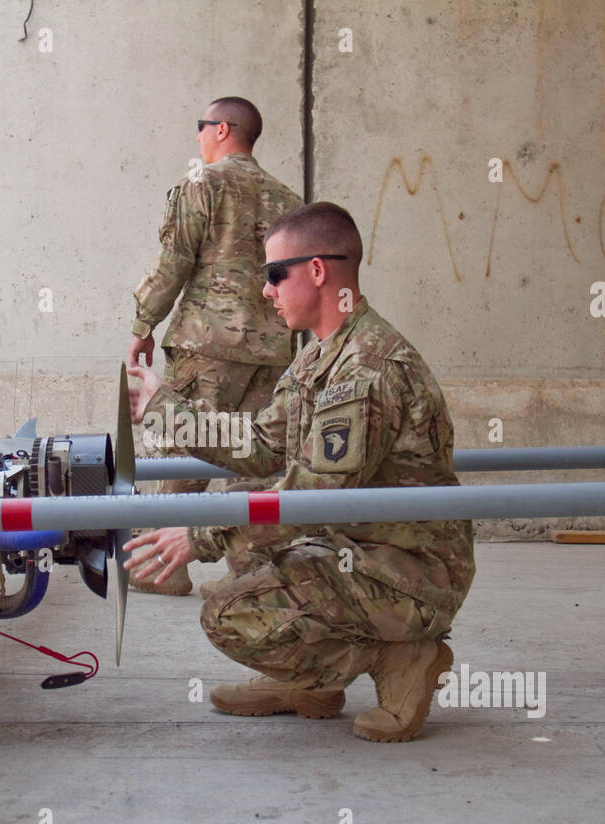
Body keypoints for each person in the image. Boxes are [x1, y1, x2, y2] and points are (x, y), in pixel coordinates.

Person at [124, 202, 476, 742]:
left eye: (274, 275)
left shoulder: (366, 370)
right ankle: (309, 683)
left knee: (226, 613)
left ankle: (401, 657)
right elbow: (264, 443)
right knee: (249, 528)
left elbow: (316, 495)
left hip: (408, 572)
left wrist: (203, 535)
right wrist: (164, 408)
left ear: (317, 271)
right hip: (362, 546)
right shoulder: (319, 356)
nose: (266, 291)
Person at [127, 96, 302, 595]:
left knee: (185, 447)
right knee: (252, 457)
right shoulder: (288, 199)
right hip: (270, 350)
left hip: (208, 343)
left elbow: (174, 263)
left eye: (201, 127)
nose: (199, 137)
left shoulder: (203, 183)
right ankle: (252, 570)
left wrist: (143, 325)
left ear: (223, 129)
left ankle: (161, 568)